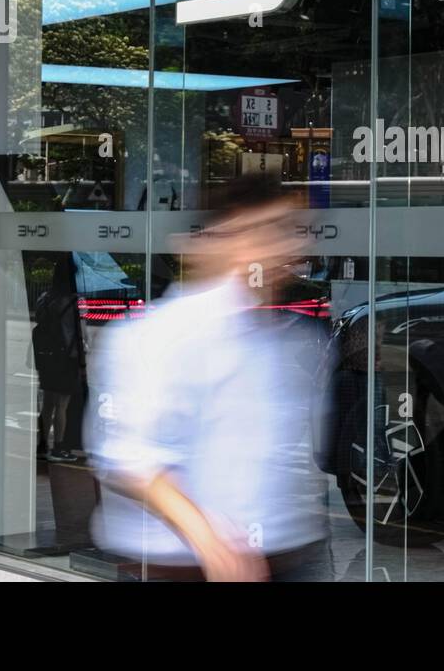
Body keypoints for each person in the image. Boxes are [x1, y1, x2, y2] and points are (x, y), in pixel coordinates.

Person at [86, 173, 330, 581]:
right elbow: (132, 459)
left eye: (293, 231)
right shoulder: (162, 334)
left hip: (284, 557)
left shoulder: (289, 336)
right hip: (185, 566)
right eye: (269, 230)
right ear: (229, 237)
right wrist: (212, 543)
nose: (288, 245)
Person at [33, 256, 86, 463]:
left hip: (46, 357)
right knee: (62, 405)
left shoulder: (44, 298)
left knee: (47, 402)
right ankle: (60, 447)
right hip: (66, 358)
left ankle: (42, 444)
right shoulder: (75, 302)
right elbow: (81, 336)